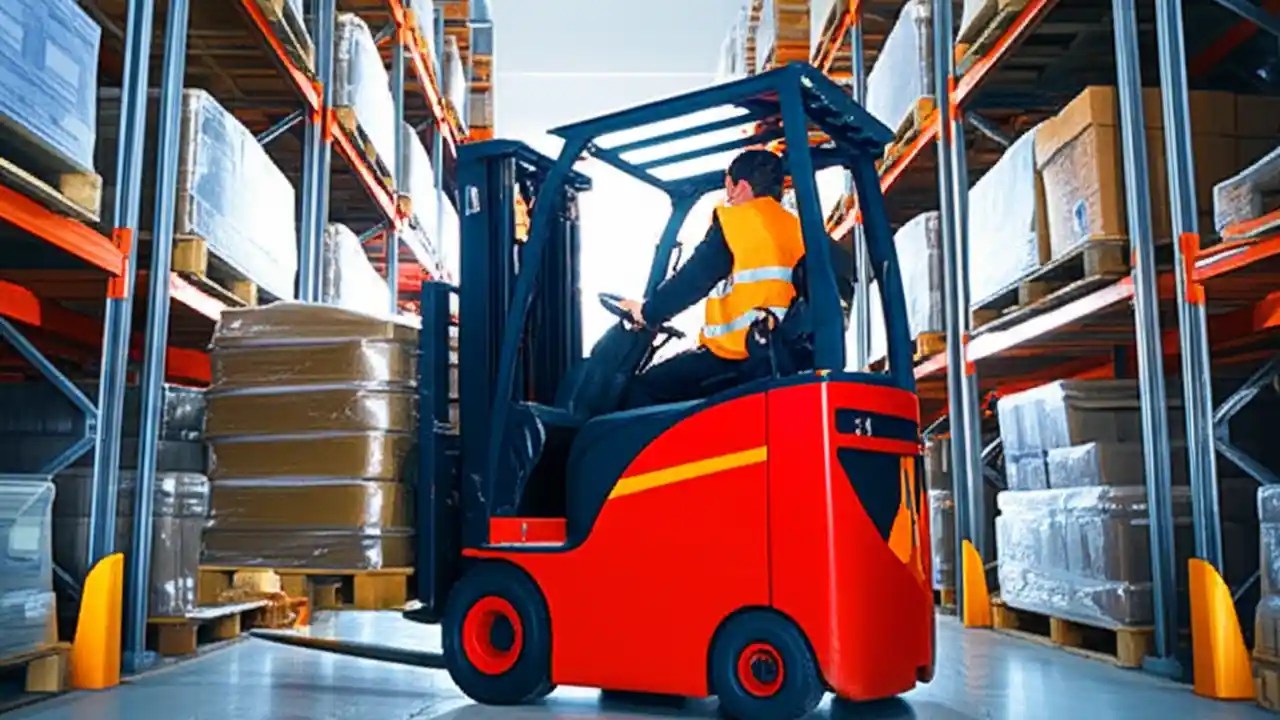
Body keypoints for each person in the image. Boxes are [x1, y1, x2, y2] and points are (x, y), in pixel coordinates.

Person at [617, 148, 806, 409]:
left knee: (642, 390)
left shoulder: (739, 222)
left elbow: (693, 279)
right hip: (777, 357)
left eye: (727, 187)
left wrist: (649, 312)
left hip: (741, 358)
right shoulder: (796, 228)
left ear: (736, 186)